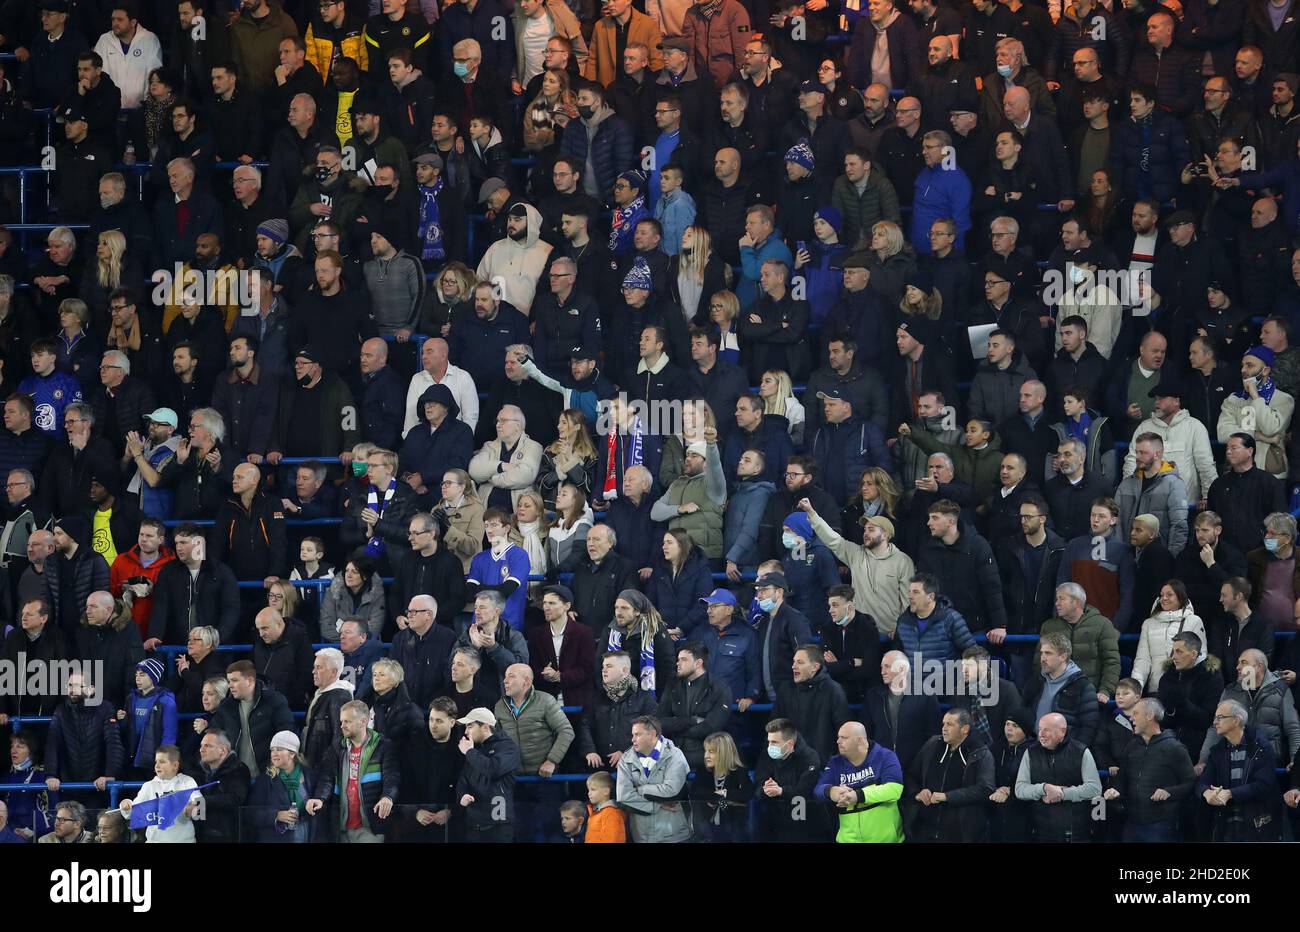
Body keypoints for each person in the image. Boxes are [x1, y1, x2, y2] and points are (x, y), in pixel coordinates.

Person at [306, 699, 399, 843]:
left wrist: (388, 796)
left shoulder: (383, 747)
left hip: (370, 828)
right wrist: (320, 798)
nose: (342, 726)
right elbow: (327, 778)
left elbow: (392, 777)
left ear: (363, 721)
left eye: (347, 721)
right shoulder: (337, 748)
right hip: (341, 828)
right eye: (342, 721)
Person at [1197, 699, 1282, 841]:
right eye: (1215, 718)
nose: (1215, 722)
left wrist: (1230, 794)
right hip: (1225, 823)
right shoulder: (1217, 751)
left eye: (1220, 717)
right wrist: (1207, 793)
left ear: (1237, 720)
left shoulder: (1261, 747)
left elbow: (1264, 785)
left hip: (1257, 823)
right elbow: (1202, 783)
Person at [1013, 712, 1102, 843]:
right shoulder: (1030, 753)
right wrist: (1044, 788)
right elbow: (1020, 789)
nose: (1041, 734)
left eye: (1046, 730)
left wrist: (1062, 794)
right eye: (1040, 729)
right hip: (1040, 832)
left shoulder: (1081, 751)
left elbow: (1095, 789)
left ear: (1062, 732)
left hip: (1076, 832)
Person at [1037, 583, 1122, 703]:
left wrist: (1105, 691)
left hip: (1090, 696)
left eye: (1061, 599)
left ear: (1076, 602)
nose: (1056, 603)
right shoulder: (1049, 626)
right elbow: (1039, 662)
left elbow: (1112, 662)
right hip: (1056, 695)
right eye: (1057, 599)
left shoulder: (1103, 625)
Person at [616, 714, 690, 843]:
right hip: (642, 836)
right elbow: (624, 796)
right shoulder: (626, 759)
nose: (633, 739)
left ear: (652, 734)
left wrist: (641, 789)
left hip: (673, 835)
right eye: (632, 735)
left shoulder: (674, 755)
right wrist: (658, 805)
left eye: (638, 735)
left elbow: (671, 790)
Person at [1020, 632, 1100, 746]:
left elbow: (1089, 727)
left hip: (1065, 752)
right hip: (1034, 748)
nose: (1042, 658)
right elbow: (1023, 713)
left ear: (1063, 656)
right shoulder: (1035, 681)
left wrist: (1074, 753)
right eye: (1042, 653)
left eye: (1048, 653)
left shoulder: (1082, 686)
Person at [455, 706, 521, 843]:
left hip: (499, 825)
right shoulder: (474, 750)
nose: (466, 732)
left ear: (485, 727)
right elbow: (463, 778)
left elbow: (493, 770)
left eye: (470, 726)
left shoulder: (507, 747)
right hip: (474, 824)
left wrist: (470, 752)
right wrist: (462, 794)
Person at [118, 745, 203, 844]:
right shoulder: (148, 786)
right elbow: (135, 812)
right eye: (156, 762)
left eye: (162, 762)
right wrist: (126, 805)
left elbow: (200, 805)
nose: (157, 766)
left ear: (175, 765)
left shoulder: (187, 782)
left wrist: (193, 808)